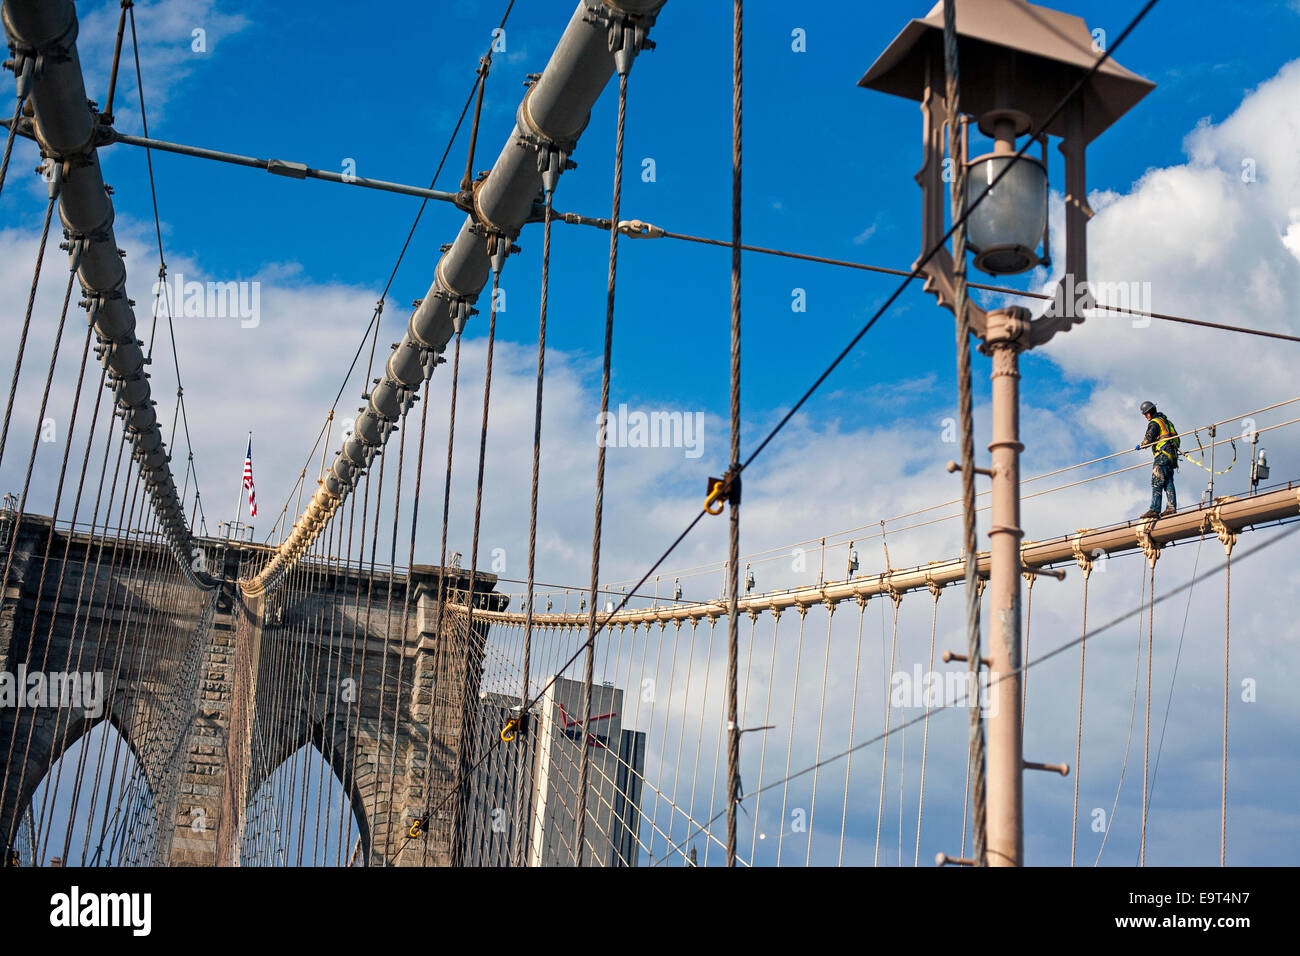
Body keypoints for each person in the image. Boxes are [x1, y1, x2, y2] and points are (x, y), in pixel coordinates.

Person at [1136, 400, 1179, 518]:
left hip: (1162, 455)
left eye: (1145, 414)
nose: (1145, 417)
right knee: (1168, 481)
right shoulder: (1167, 422)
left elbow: (1148, 439)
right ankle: (1171, 507)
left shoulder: (1155, 422)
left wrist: (1142, 445)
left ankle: (1154, 509)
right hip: (1172, 456)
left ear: (1149, 412)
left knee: (1157, 481)